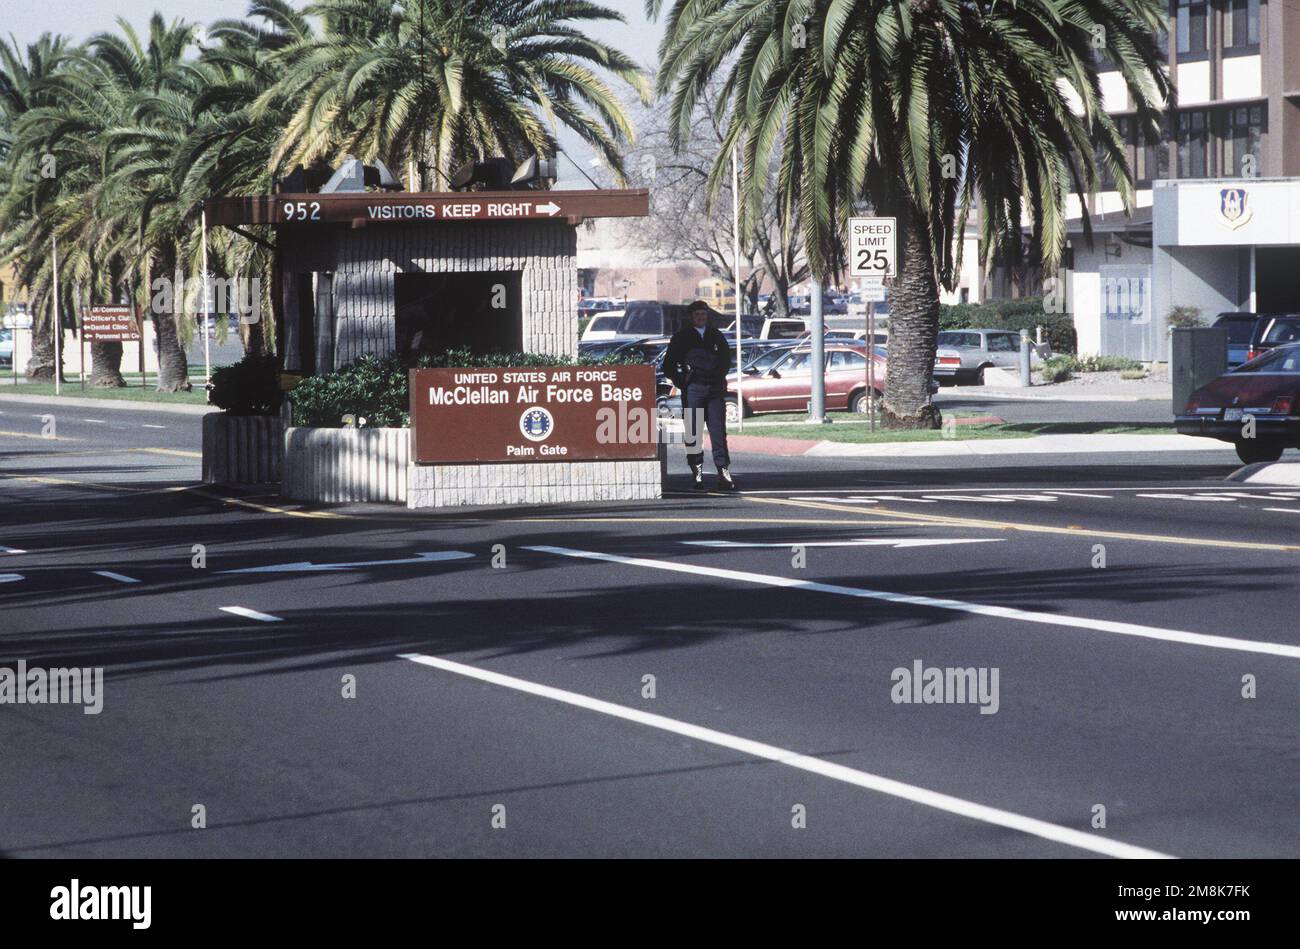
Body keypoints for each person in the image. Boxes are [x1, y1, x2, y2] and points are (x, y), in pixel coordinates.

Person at [663, 301, 736, 491]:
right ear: (691, 317)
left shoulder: (715, 335)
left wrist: (719, 378)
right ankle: (697, 473)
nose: (701, 318)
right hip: (694, 389)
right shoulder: (682, 337)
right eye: (697, 315)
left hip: (714, 390)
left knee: (718, 432)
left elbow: (726, 360)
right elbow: (668, 365)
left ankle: (723, 472)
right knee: (693, 433)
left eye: (703, 315)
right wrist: (683, 382)